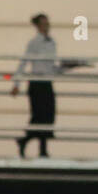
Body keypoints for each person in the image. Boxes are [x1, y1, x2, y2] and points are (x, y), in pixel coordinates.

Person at [12, 13, 61, 158]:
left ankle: (31, 143)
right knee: (39, 116)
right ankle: (38, 148)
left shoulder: (52, 42)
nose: (47, 27)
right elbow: (24, 62)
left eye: (47, 23)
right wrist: (16, 83)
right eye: (44, 24)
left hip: (47, 81)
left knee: (48, 115)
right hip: (37, 82)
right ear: (38, 26)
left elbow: (52, 65)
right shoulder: (34, 43)